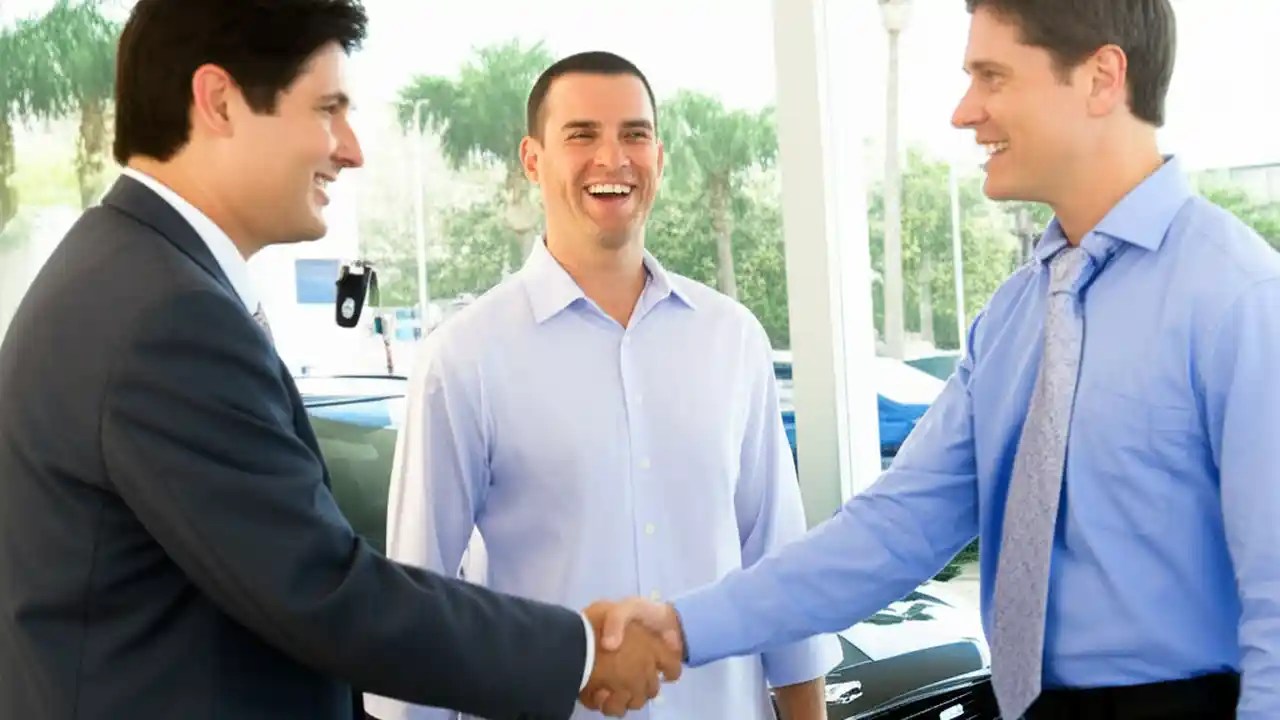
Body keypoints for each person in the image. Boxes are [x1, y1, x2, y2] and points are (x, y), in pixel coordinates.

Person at [596, 1, 1280, 719]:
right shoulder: (1015, 317)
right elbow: (893, 530)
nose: (963, 112)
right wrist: (680, 626)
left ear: (1102, 78)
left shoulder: (1240, 300)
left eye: (992, 76)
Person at [0, 2, 679, 719]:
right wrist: (578, 652)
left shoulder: (126, 274)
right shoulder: (164, 316)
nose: (351, 148)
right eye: (328, 109)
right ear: (219, 101)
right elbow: (322, 591)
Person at [365, 51, 840, 720]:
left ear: (660, 156)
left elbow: (777, 564)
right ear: (533, 160)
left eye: (635, 134)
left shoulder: (732, 339)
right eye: (582, 135)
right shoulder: (464, 357)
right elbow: (418, 604)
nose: (612, 158)